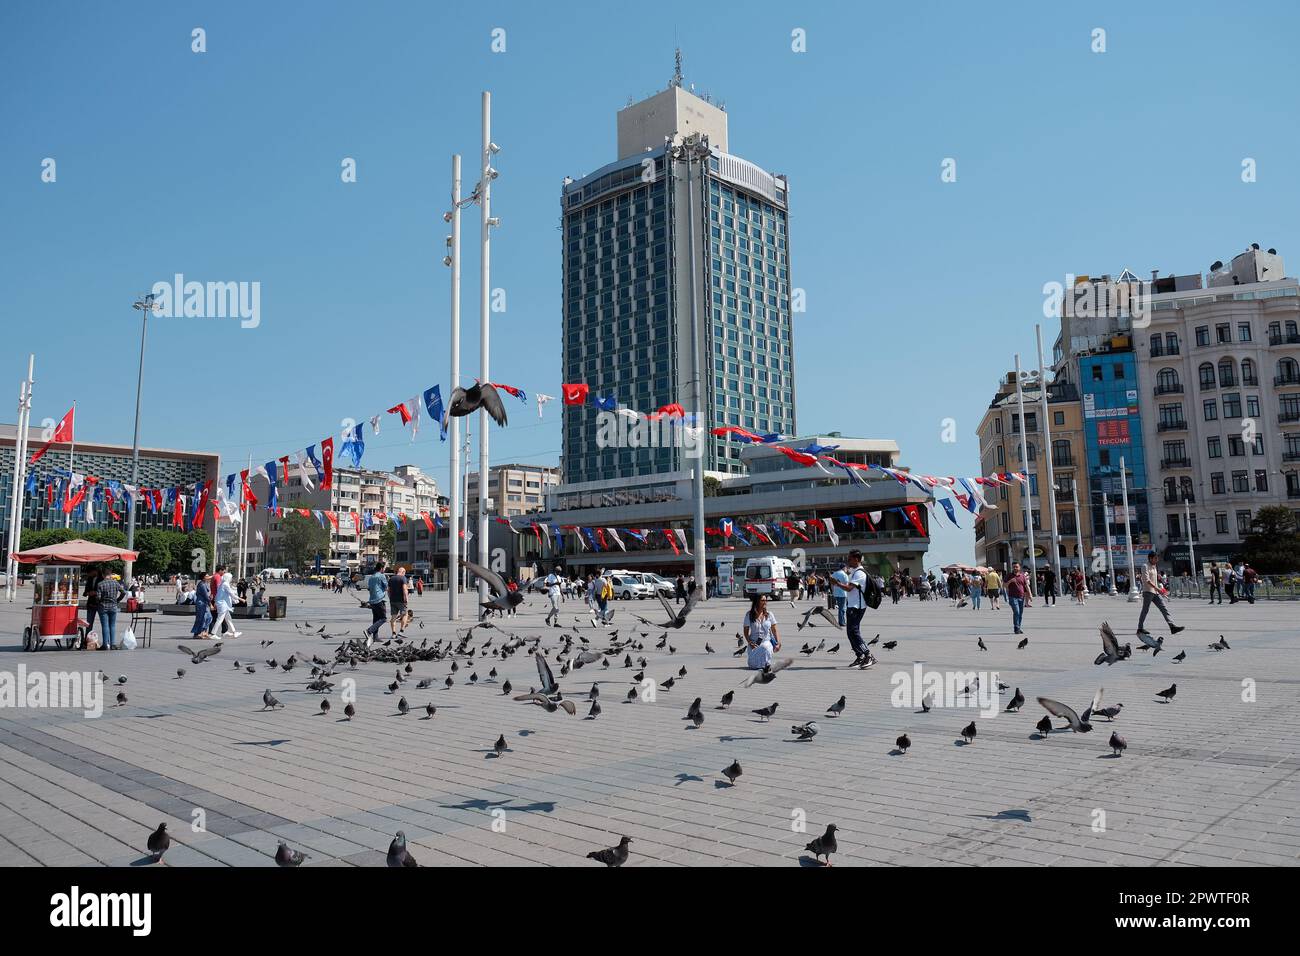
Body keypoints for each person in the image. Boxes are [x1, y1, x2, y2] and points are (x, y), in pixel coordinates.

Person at [840, 549, 875, 670]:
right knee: (850, 632)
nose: (848, 560)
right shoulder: (854, 572)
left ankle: (868, 655)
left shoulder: (860, 573)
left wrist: (836, 583)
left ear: (856, 559)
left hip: (857, 607)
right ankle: (859, 655)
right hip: (852, 606)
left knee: (854, 632)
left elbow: (849, 588)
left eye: (849, 558)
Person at [1137, 551, 1185, 637]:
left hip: (1156, 592)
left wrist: (1160, 588)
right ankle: (1140, 628)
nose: (1157, 560)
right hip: (1148, 591)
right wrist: (1157, 588)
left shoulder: (1154, 566)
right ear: (1150, 558)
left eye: (1157, 558)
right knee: (1145, 610)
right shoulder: (1145, 566)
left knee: (1164, 608)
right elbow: (1146, 580)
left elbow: (1155, 579)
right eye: (1155, 558)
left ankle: (1172, 627)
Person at [742, 594, 781, 670]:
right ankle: (761, 665)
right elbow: (746, 631)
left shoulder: (769, 615)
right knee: (753, 665)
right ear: (757, 602)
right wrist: (750, 642)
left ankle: (765, 665)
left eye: (766, 600)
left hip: (767, 641)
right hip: (754, 643)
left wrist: (778, 643)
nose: (765, 602)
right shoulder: (749, 615)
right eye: (763, 600)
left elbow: (774, 630)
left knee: (765, 647)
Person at [95, 572, 126, 650]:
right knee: (112, 625)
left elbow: (98, 597)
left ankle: (105, 644)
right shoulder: (115, 583)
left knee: (105, 626)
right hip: (113, 606)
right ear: (110, 575)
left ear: (103, 575)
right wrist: (117, 600)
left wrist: (100, 602)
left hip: (103, 607)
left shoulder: (100, 584)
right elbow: (123, 592)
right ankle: (113, 644)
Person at [363, 559, 389, 645]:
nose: (384, 569)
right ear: (381, 568)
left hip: (372, 599)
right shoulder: (381, 576)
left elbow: (370, 588)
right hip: (379, 599)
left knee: (376, 618)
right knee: (383, 618)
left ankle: (375, 637)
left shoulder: (371, 577)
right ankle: (369, 631)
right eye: (384, 568)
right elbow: (386, 587)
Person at [1004, 562, 1028, 635]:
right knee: (1016, 612)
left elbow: (1026, 586)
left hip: (1021, 597)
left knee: (1020, 613)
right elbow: (1004, 585)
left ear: (1019, 567)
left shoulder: (1022, 576)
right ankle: (1016, 628)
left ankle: (1018, 627)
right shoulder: (1009, 575)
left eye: (1016, 567)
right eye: (1014, 567)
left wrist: (1029, 595)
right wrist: (1010, 581)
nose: (1015, 568)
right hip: (1012, 597)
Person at [388, 565, 410, 636]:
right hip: (401, 600)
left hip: (392, 600)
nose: (404, 574)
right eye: (404, 572)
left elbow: (388, 590)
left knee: (393, 617)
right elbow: (404, 589)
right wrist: (406, 599)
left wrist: (390, 598)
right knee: (405, 615)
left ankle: (393, 633)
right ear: (403, 572)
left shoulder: (391, 578)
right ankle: (401, 631)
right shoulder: (403, 578)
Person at [192, 573, 213, 639]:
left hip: (205, 603)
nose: (208, 577)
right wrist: (211, 604)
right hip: (201, 603)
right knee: (201, 618)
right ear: (203, 578)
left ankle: (203, 632)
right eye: (206, 576)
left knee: (208, 617)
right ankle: (197, 633)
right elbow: (205, 596)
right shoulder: (201, 585)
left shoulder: (205, 583)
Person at [830, 561, 849, 626]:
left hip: (836, 593)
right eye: (846, 568)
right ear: (844, 568)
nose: (847, 569)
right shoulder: (844, 575)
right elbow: (846, 584)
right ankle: (841, 622)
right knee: (842, 608)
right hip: (843, 593)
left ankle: (842, 621)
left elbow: (832, 583)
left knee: (841, 607)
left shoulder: (834, 574)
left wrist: (833, 591)